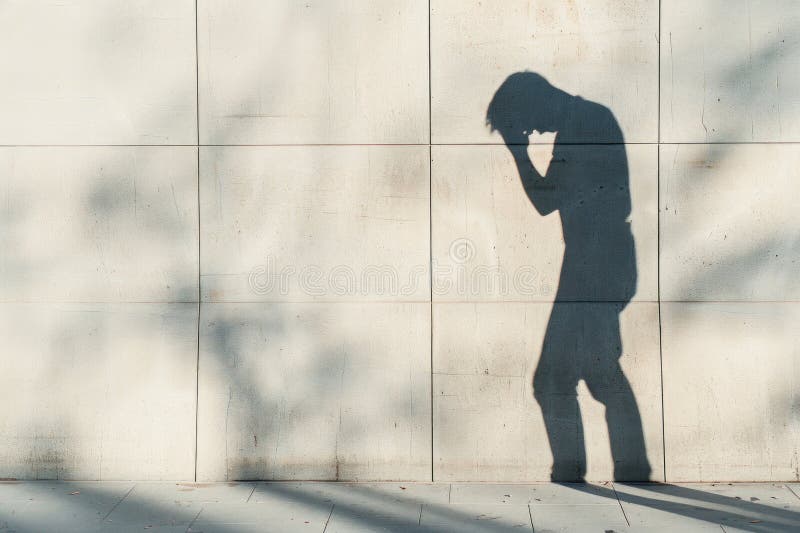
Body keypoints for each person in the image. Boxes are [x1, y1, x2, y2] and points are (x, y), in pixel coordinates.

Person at [486, 72, 651, 481]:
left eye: (525, 121)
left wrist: (519, 153)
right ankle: (620, 470)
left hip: (595, 262)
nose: (533, 130)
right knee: (593, 372)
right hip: (595, 260)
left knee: (558, 378)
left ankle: (581, 472)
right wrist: (518, 151)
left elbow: (550, 201)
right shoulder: (584, 121)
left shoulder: (587, 123)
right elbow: (550, 201)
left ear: (535, 101)